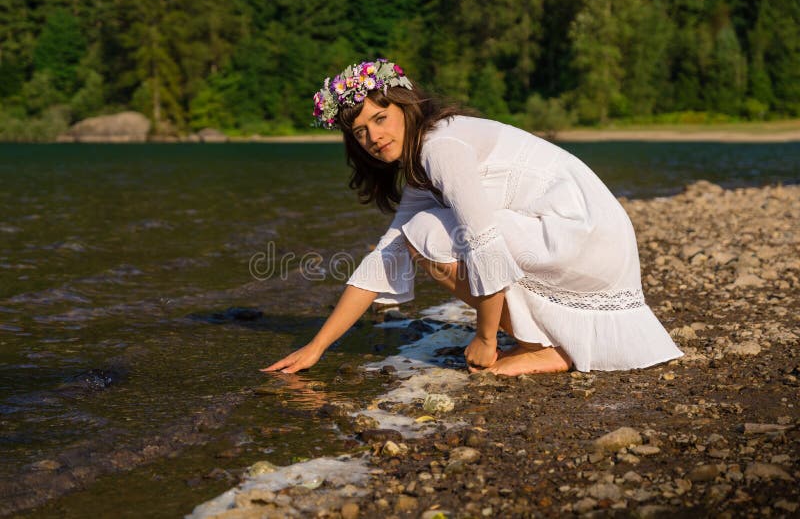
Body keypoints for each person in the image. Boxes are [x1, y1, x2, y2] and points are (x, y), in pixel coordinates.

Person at [263, 59, 683, 376]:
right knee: (412, 234)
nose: (374, 137)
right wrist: (317, 347)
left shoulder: (440, 148)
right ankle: (542, 339)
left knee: (427, 232)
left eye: (380, 118)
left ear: (405, 107)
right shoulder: (424, 157)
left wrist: (484, 338)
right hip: (587, 240)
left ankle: (545, 346)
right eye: (360, 132)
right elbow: (385, 255)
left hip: (583, 237)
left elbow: (485, 243)